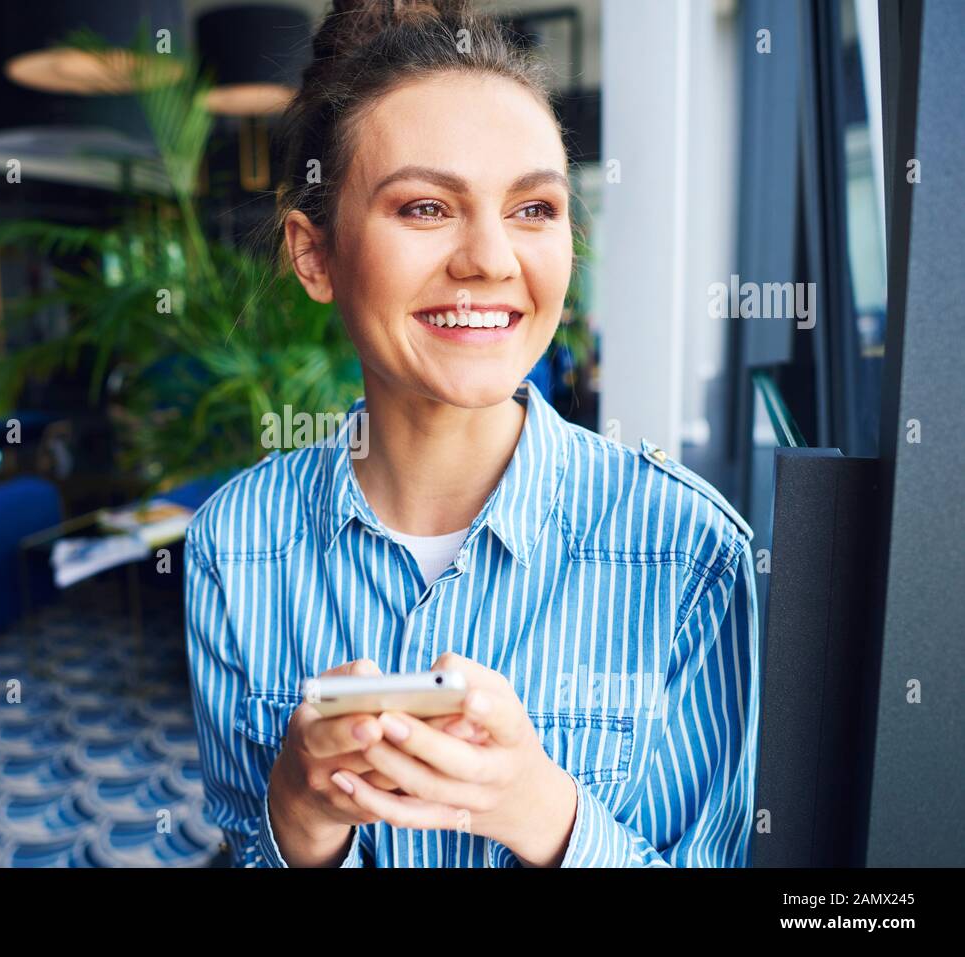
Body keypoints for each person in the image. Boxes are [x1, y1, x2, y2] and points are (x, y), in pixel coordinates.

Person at [183, 0, 759, 867]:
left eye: (533, 209)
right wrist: (297, 818)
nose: (491, 258)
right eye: (424, 207)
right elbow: (247, 845)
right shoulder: (234, 544)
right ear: (315, 256)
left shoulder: (691, 554)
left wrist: (543, 814)